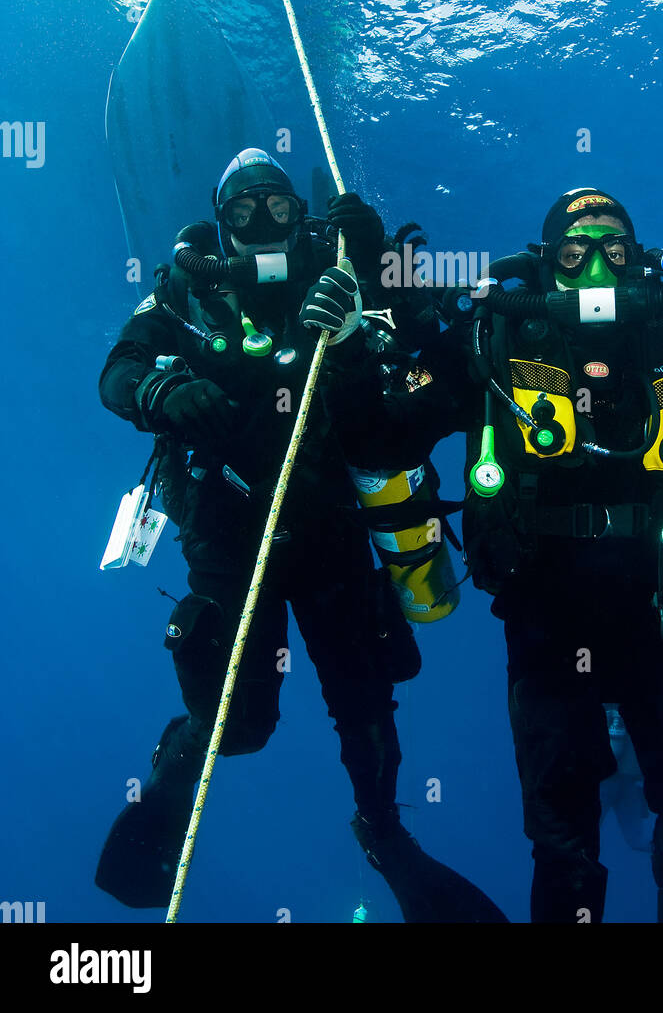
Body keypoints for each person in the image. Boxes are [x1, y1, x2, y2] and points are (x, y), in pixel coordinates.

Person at [315, 186, 663, 923]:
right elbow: (379, 443)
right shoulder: (497, 342)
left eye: (614, 251)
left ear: (642, 263)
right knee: (560, 838)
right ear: (545, 262)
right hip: (547, 618)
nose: (594, 272)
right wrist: (353, 348)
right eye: (574, 252)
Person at [95, 147, 507, 923]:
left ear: (300, 212)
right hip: (228, 530)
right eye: (243, 210)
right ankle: (181, 760)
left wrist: (379, 266)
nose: (262, 222)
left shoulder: (344, 267)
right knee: (240, 725)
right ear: (221, 225)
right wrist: (161, 387)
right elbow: (115, 370)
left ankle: (384, 831)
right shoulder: (189, 291)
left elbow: (445, 333)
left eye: (278, 205)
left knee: (366, 700)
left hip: (330, 527)